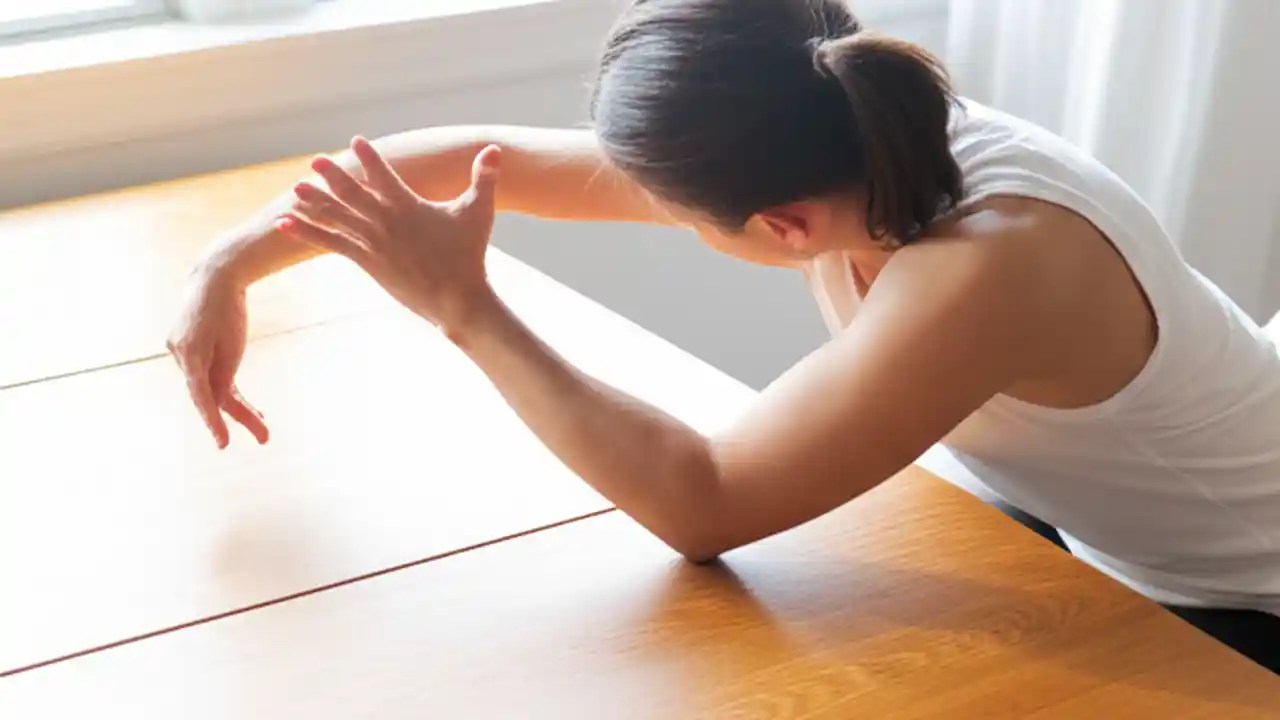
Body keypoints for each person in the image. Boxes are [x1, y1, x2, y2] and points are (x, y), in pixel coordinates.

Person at [167, 0, 1280, 672]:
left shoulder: (985, 268)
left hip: (1238, 597)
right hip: (1088, 526)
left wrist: (466, 307)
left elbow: (701, 505)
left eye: (678, 213)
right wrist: (235, 260)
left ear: (779, 226)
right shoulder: (839, 137)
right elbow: (488, 154)